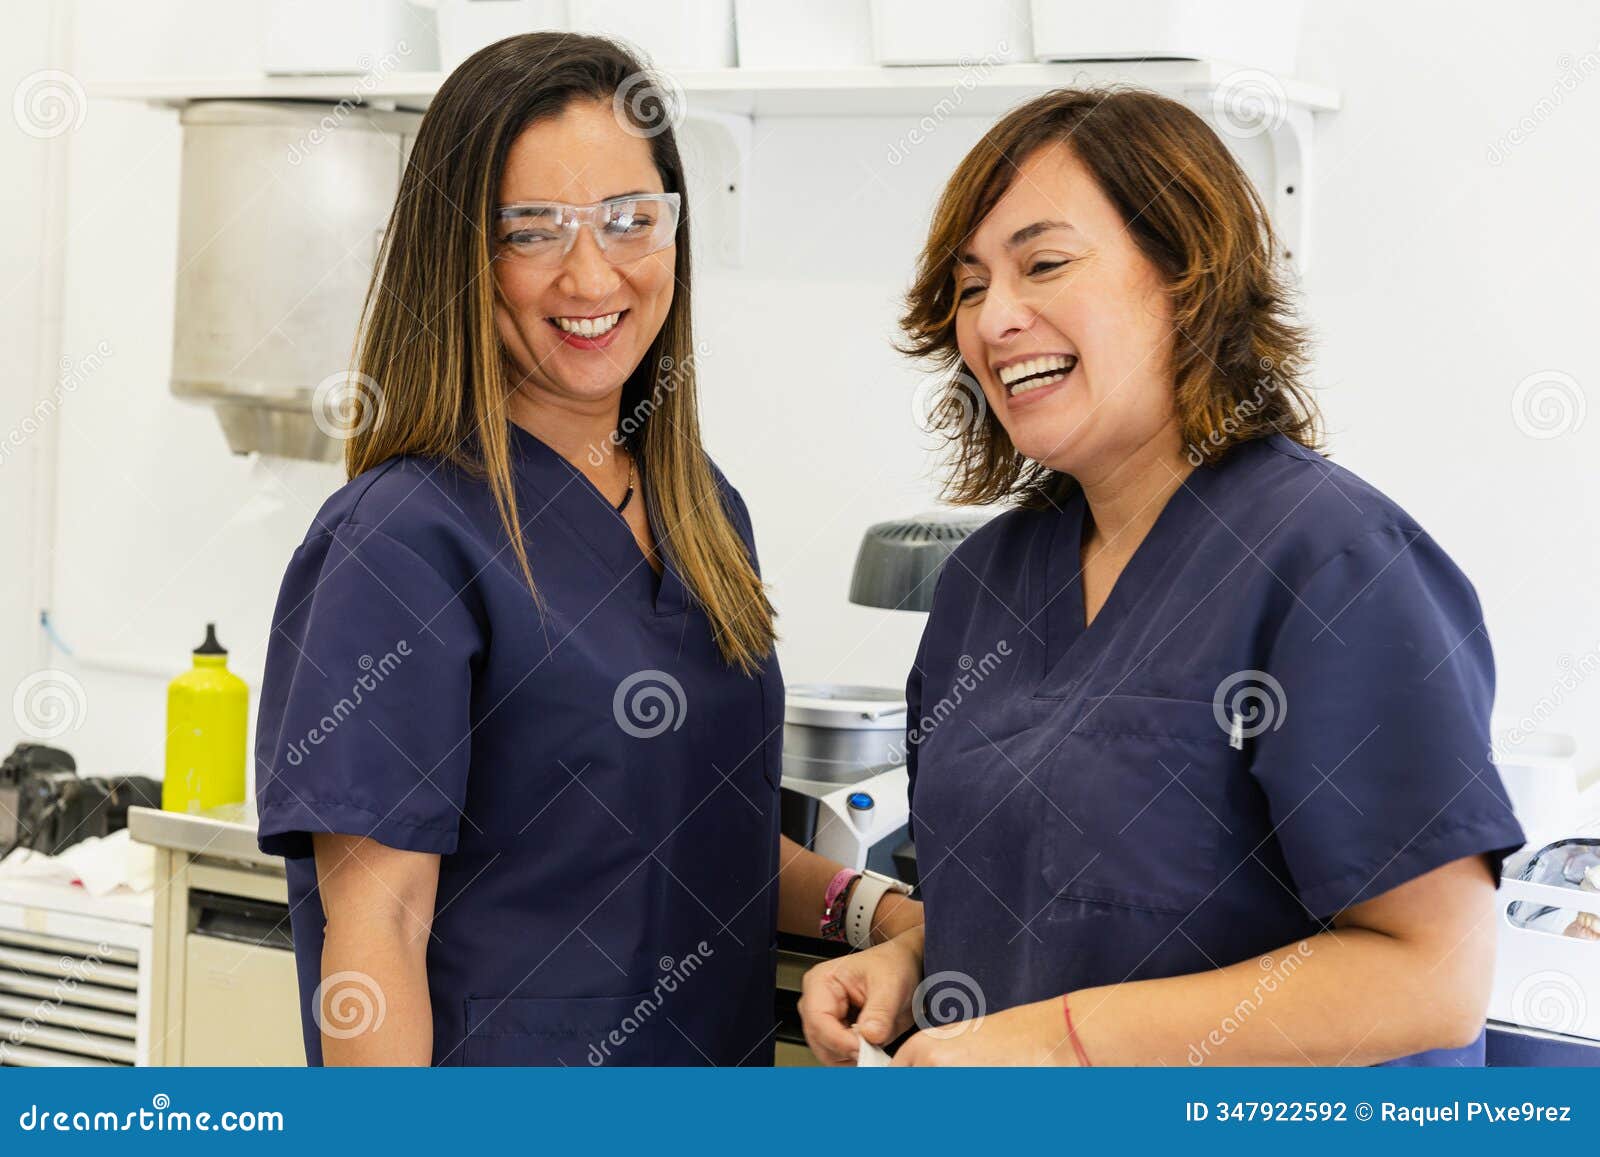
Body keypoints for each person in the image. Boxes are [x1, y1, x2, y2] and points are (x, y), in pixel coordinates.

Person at [799, 87, 1524, 1067]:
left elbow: (1432, 975)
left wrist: (1060, 1043)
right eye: (970, 287)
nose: (994, 318)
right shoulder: (987, 586)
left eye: (1043, 264)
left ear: (1187, 279)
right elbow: (1050, 900)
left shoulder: (1332, 563)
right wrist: (915, 953)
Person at [255, 33, 919, 1067]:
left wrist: (878, 908)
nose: (590, 270)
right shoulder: (402, 540)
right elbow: (375, 936)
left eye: (629, 219)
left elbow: (698, 837)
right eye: (532, 230)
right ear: (461, 257)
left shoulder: (702, 509)